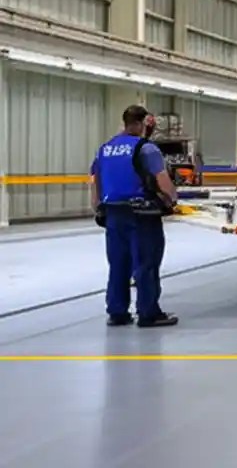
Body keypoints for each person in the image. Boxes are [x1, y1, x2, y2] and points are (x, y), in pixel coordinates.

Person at [90, 106, 179, 328]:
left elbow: (95, 181)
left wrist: (98, 207)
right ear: (142, 124)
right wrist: (172, 200)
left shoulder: (104, 149)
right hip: (142, 213)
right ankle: (149, 312)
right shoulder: (146, 148)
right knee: (146, 263)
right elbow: (162, 179)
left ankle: (117, 312)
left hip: (113, 212)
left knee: (118, 263)